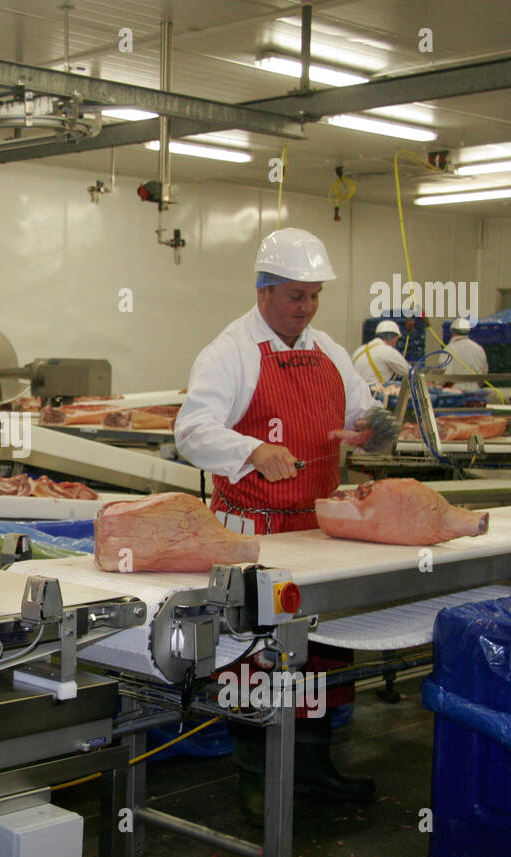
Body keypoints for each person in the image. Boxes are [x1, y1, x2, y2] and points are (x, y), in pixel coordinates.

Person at [174, 227, 398, 821]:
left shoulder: (329, 351)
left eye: (315, 296)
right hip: (255, 533)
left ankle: (316, 768)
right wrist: (250, 450)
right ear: (264, 290)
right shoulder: (229, 351)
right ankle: (256, 779)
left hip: (321, 529)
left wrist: (376, 426)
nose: (307, 308)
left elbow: (363, 409)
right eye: (296, 295)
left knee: (323, 648)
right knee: (258, 657)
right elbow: (192, 431)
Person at [351, 319, 410, 387]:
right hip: (372, 393)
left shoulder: (359, 350)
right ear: (394, 338)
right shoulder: (388, 351)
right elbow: (410, 372)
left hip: (353, 392)